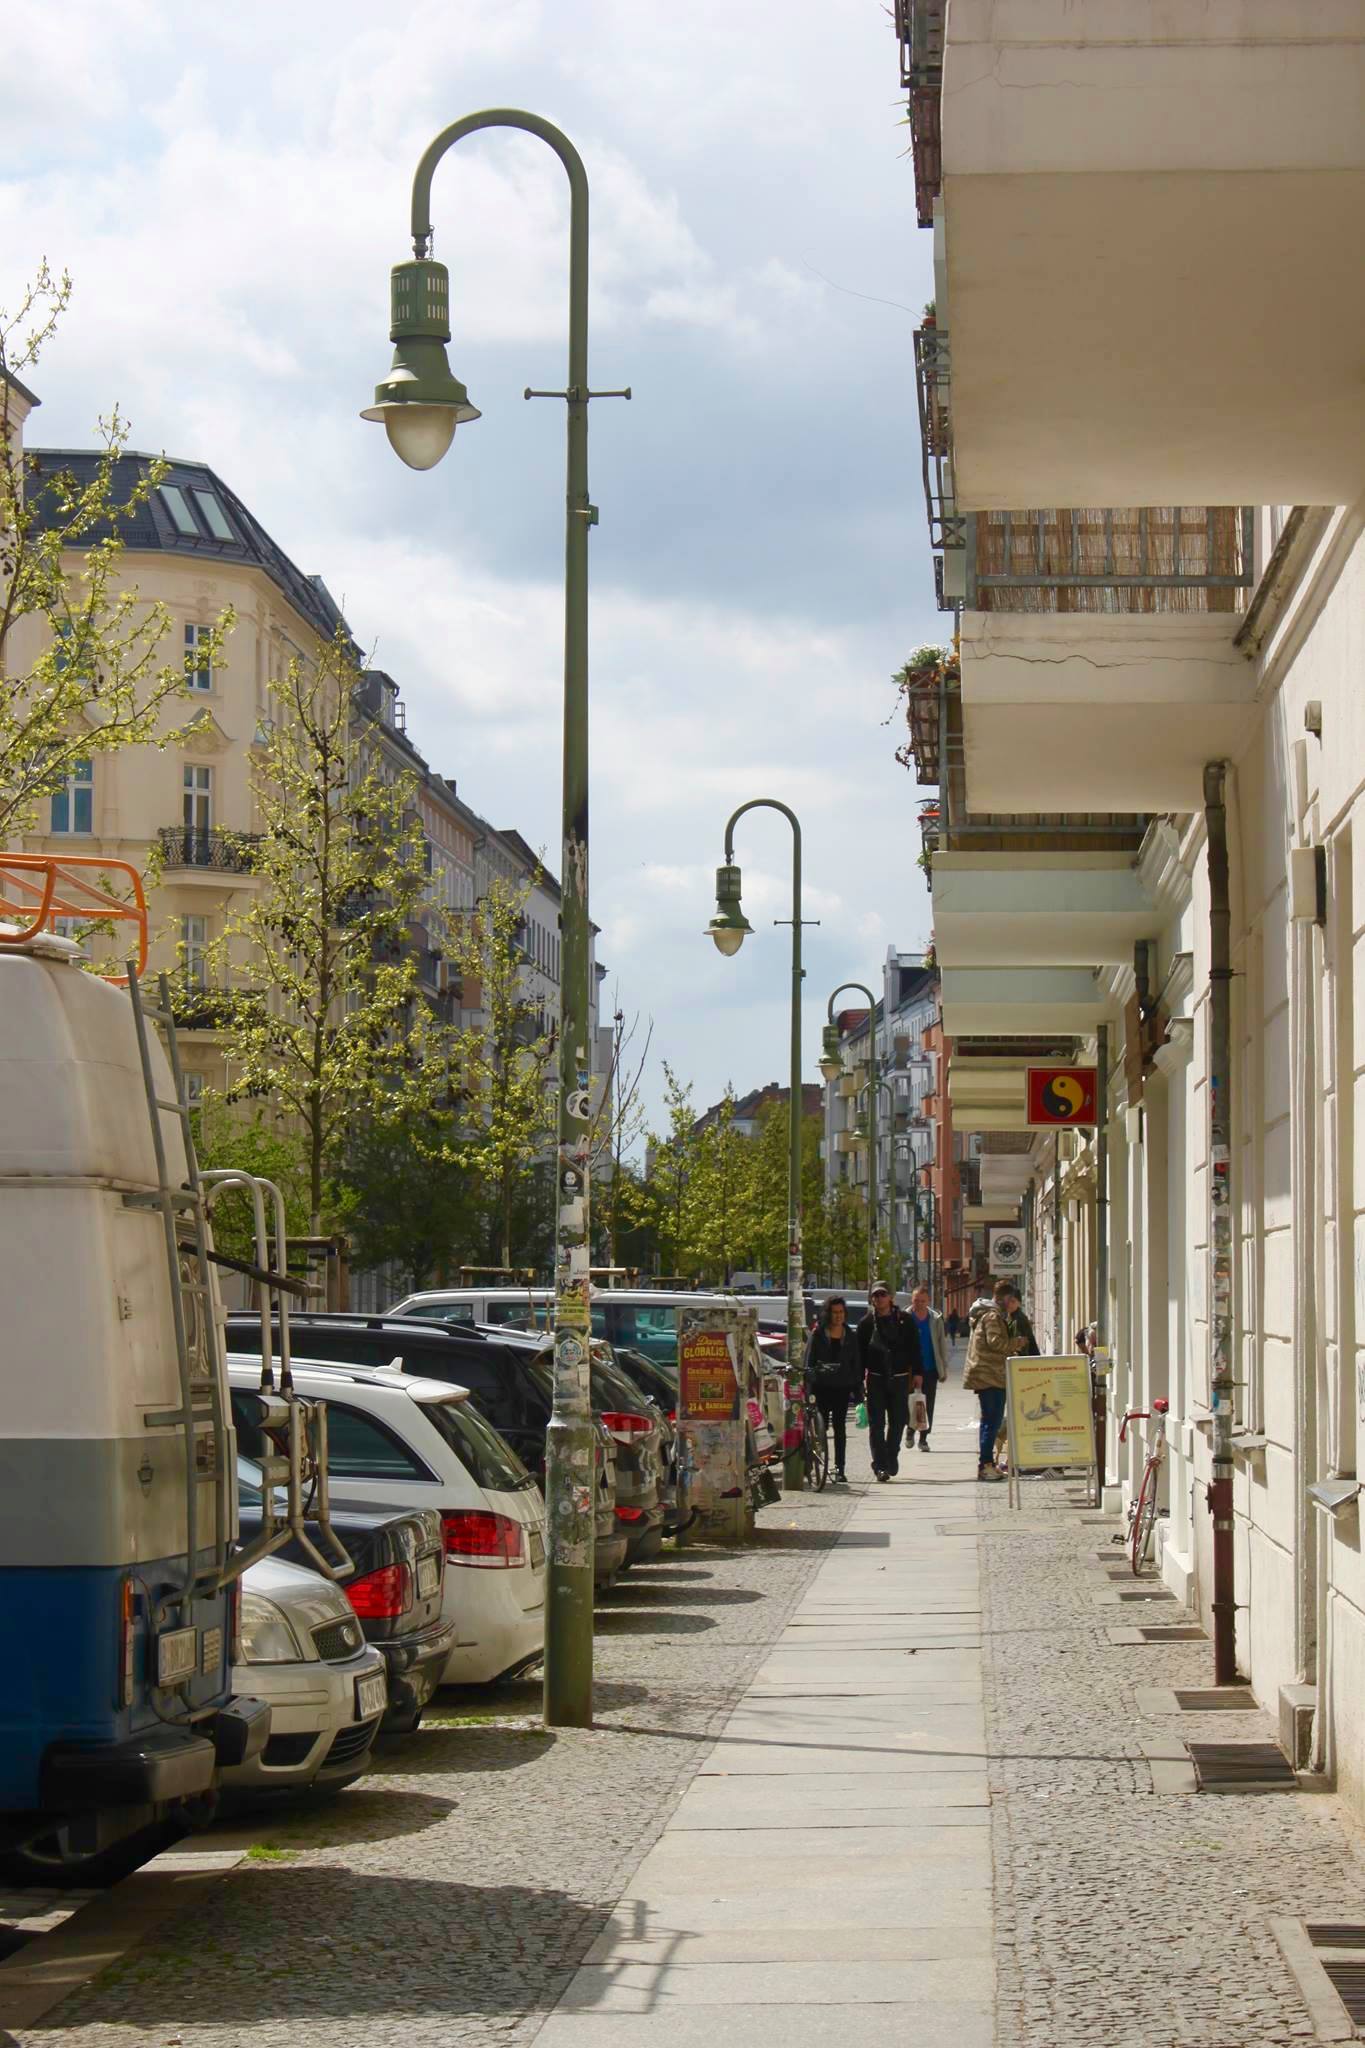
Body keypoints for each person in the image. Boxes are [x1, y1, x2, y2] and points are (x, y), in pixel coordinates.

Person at [964, 1279, 1027, 1483]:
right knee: (992, 1421)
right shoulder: (992, 1316)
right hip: (990, 1376)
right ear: (1005, 1298)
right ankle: (985, 1465)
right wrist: (1015, 1342)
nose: (1011, 1304)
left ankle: (987, 1463)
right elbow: (995, 1342)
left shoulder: (989, 1314)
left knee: (990, 1421)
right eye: (1010, 1300)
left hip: (988, 1375)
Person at [856, 1282, 919, 1481]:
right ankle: (880, 1465)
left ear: (890, 1297)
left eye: (882, 1294)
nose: (879, 1298)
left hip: (900, 1378)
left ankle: (892, 1455)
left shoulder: (905, 1320)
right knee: (876, 1425)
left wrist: (918, 1373)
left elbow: (914, 1348)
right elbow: (859, 1355)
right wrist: (858, 1381)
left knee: (898, 1422)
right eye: (875, 1295)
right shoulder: (866, 1323)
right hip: (876, 1379)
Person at [802, 1295, 860, 1484]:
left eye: (841, 1312)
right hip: (821, 1387)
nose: (838, 1316)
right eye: (835, 1312)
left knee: (840, 1428)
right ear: (828, 1313)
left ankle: (840, 1468)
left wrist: (857, 1388)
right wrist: (809, 1386)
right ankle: (818, 1461)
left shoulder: (850, 1335)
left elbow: (856, 1364)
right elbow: (809, 1361)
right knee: (821, 1427)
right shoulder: (818, 1334)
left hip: (842, 1388)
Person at [906, 1286, 949, 1450]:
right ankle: (910, 1431)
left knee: (927, 1404)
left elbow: (941, 1343)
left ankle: (923, 1438)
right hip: (909, 1369)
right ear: (912, 1300)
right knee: (909, 1403)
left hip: (930, 1368)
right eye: (916, 1300)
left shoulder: (935, 1319)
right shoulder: (905, 1317)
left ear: (928, 1301)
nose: (919, 1304)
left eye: (923, 1301)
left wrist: (943, 1368)